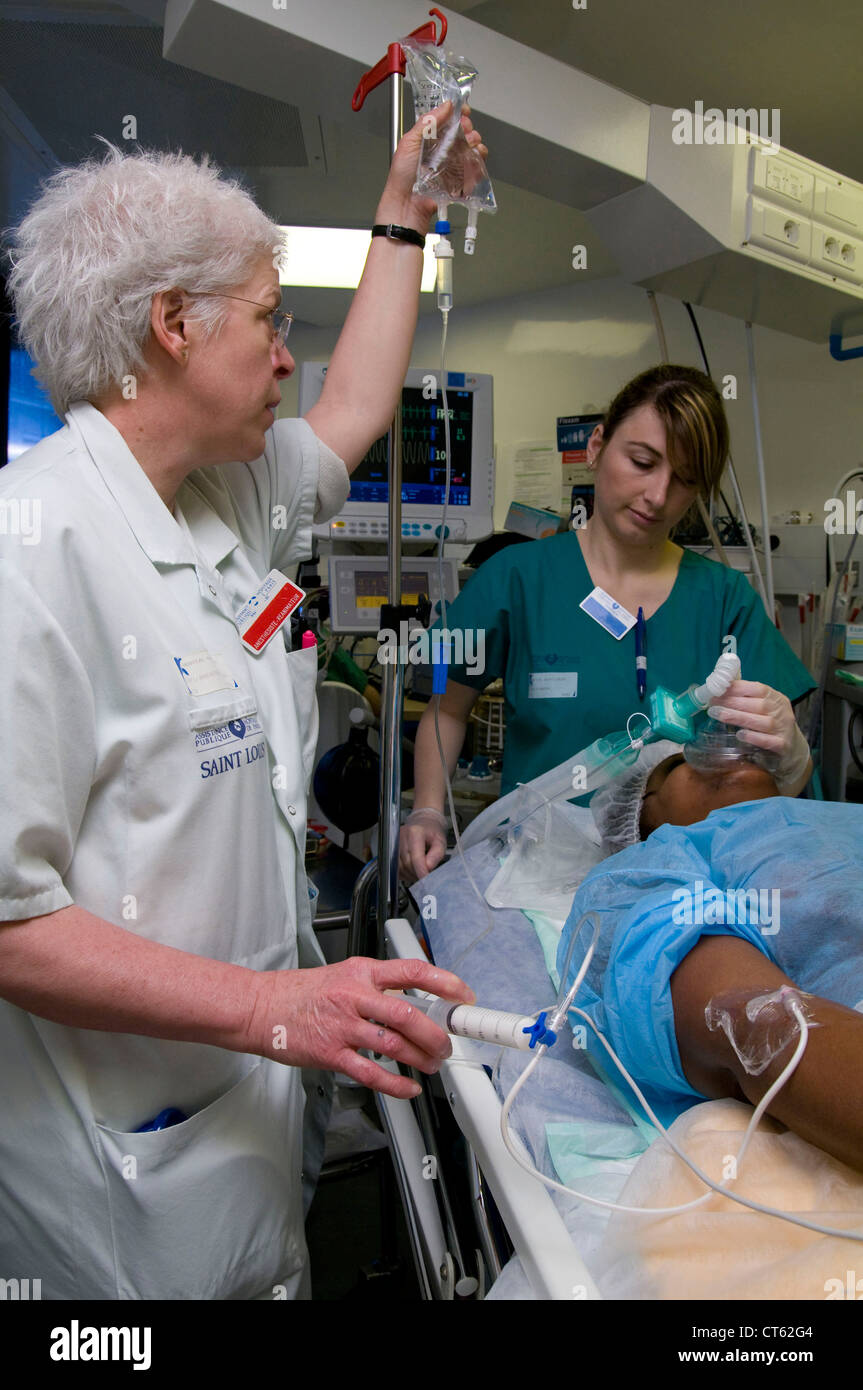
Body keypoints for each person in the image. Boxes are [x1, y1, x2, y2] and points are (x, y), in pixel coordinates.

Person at [0, 105, 486, 1300]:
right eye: (270, 322)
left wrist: (405, 209)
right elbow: (11, 922)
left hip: (247, 1125)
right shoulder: (33, 552)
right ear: (171, 326)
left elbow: (357, 407)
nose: (287, 356)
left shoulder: (227, 491)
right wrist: (276, 1005)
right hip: (119, 1178)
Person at [400, 364, 815, 882]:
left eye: (685, 481)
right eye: (642, 462)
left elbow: (767, 785)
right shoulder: (518, 578)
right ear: (597, 445)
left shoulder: (724, 598)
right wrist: (428, 809)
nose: (658, 496)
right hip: (535, 875)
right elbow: (447, 705)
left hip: (678, 881)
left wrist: (794, 754)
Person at [558, 792, 863, 1173]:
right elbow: (759, 1023)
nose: (723, 756)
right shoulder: (648, 874)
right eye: (683, 766)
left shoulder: (833, 818)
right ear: (643, 814)